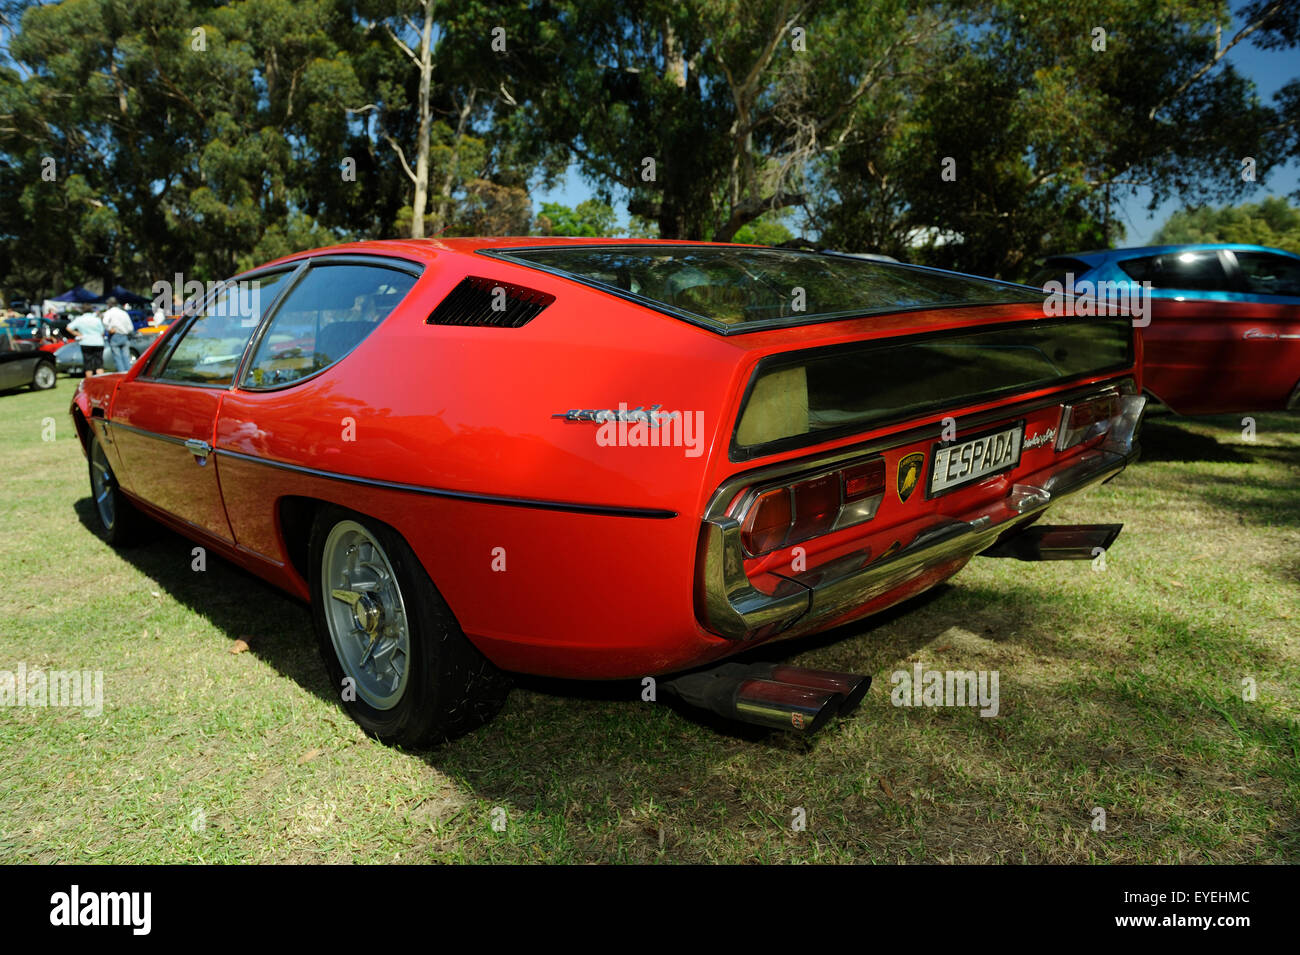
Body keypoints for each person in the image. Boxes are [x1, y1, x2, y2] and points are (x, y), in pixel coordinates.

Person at [67, 308, 106, 376]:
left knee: (88, 363)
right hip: (98, 342)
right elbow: (102, 332)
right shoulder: (97, 319)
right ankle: (101, 379)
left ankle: (89, 380)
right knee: (99, 363)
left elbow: (68, 328)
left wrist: (77, 334)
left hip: (86, 342)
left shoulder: (79, 319)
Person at [101, 297, 134, 372]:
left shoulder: (109, 312)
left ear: (109, 304)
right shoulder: (123, 313)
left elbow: (105, 322)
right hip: (125, 336)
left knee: (117, 357)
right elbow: (130, 327)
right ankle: (128, 373)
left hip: (115, 336)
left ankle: (121, 373)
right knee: (126, 356)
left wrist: (109, 329)